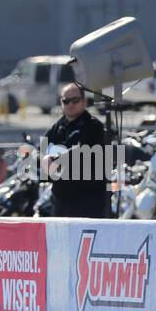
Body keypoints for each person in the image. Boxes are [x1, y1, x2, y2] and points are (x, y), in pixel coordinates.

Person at [43, 84, 111, 218]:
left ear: (84, 101)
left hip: (87, 203)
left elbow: (82, 151)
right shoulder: (58, 127)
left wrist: (56, 159)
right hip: (60, 201)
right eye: (66, 101)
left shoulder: (93, 126)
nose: (70, 104)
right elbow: (41, 152)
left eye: (75, 100)